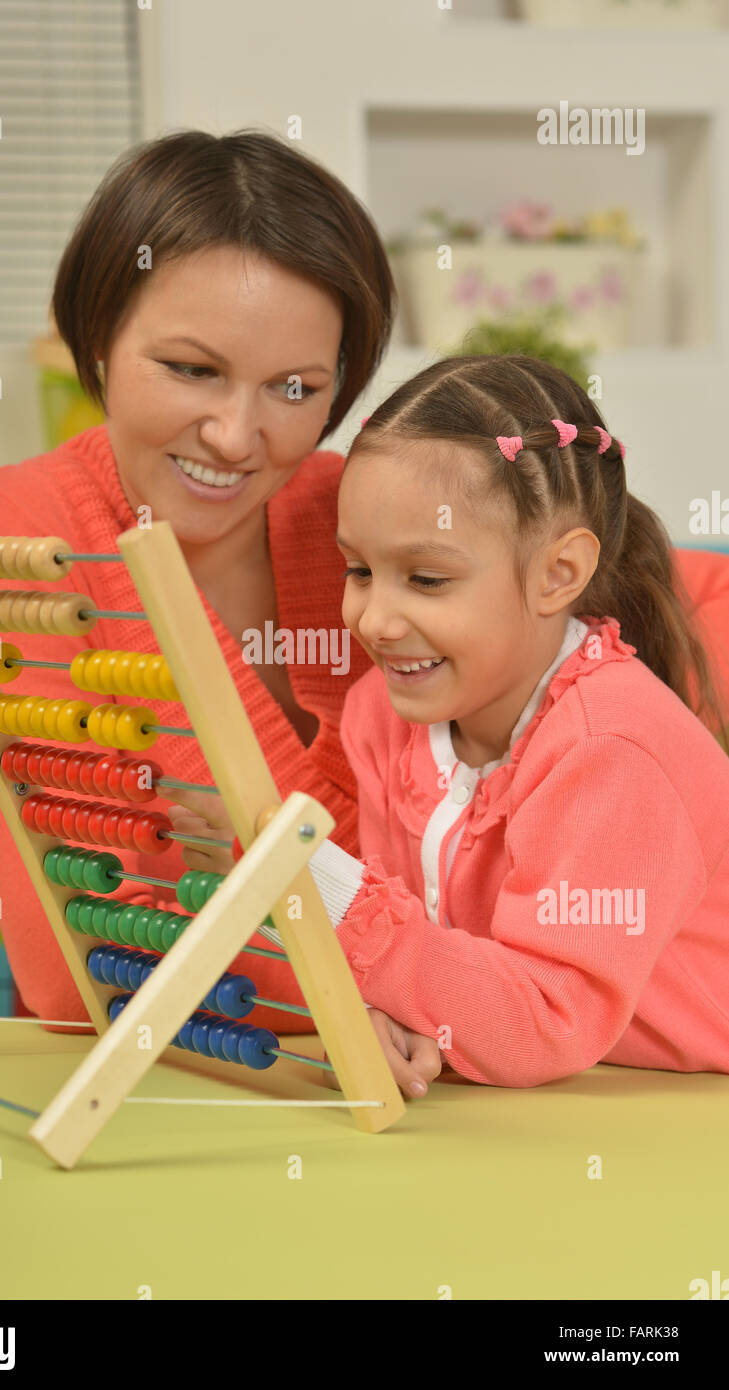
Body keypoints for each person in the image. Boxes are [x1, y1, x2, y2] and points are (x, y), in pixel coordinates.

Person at [0, 128, 394, 1033]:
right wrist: (385, 998)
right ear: (99, 337)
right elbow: (65, 971)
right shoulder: (26, 534)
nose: (236, 436)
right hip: (171, 1104)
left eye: (295, 389)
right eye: (191, 370)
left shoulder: (358, 510)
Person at [297, 352, 729, 1096]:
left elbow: (541, 1021)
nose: (374, 618)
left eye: (426, 579)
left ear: (557, 574)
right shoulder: (383, 712)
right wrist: (382, 1011)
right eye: (359, 570)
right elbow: (418, 956)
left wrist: (308, 874)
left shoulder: (610, 749)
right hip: (547, 1102)